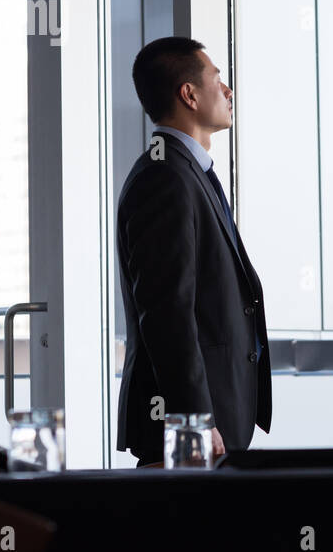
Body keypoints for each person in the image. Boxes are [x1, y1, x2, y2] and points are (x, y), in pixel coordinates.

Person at [115, 36, 271, 466]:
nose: (228, 90)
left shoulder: (184, 173)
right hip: (187, 436)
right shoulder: (165, 179)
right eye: (217, 79)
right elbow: (167, 314)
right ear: (189, 94)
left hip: (207, 427)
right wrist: (194, 419)